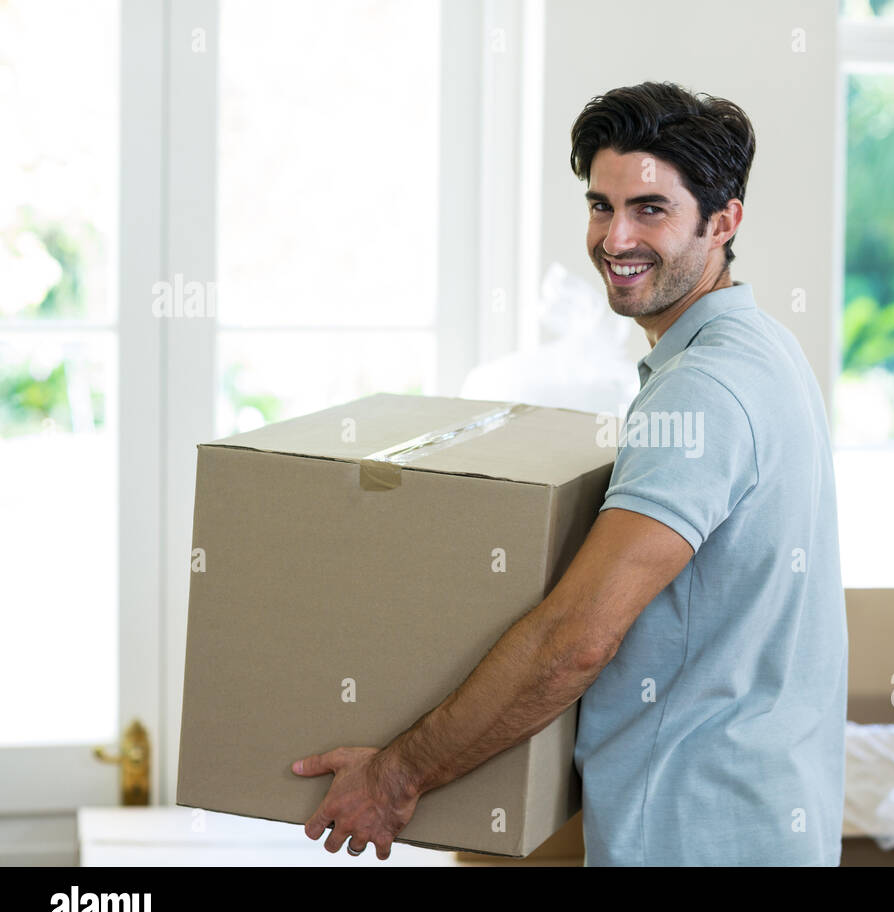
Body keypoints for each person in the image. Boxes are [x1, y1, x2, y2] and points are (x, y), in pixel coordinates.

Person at [292, 80, 847, 866]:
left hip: (693, 834)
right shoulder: (764, 350)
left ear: (723, 221)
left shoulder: (704, 390)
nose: (615, 238)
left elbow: (578, 639)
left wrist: (397, 777)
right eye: (600, 205)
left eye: (650, 209)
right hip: (756, 819)